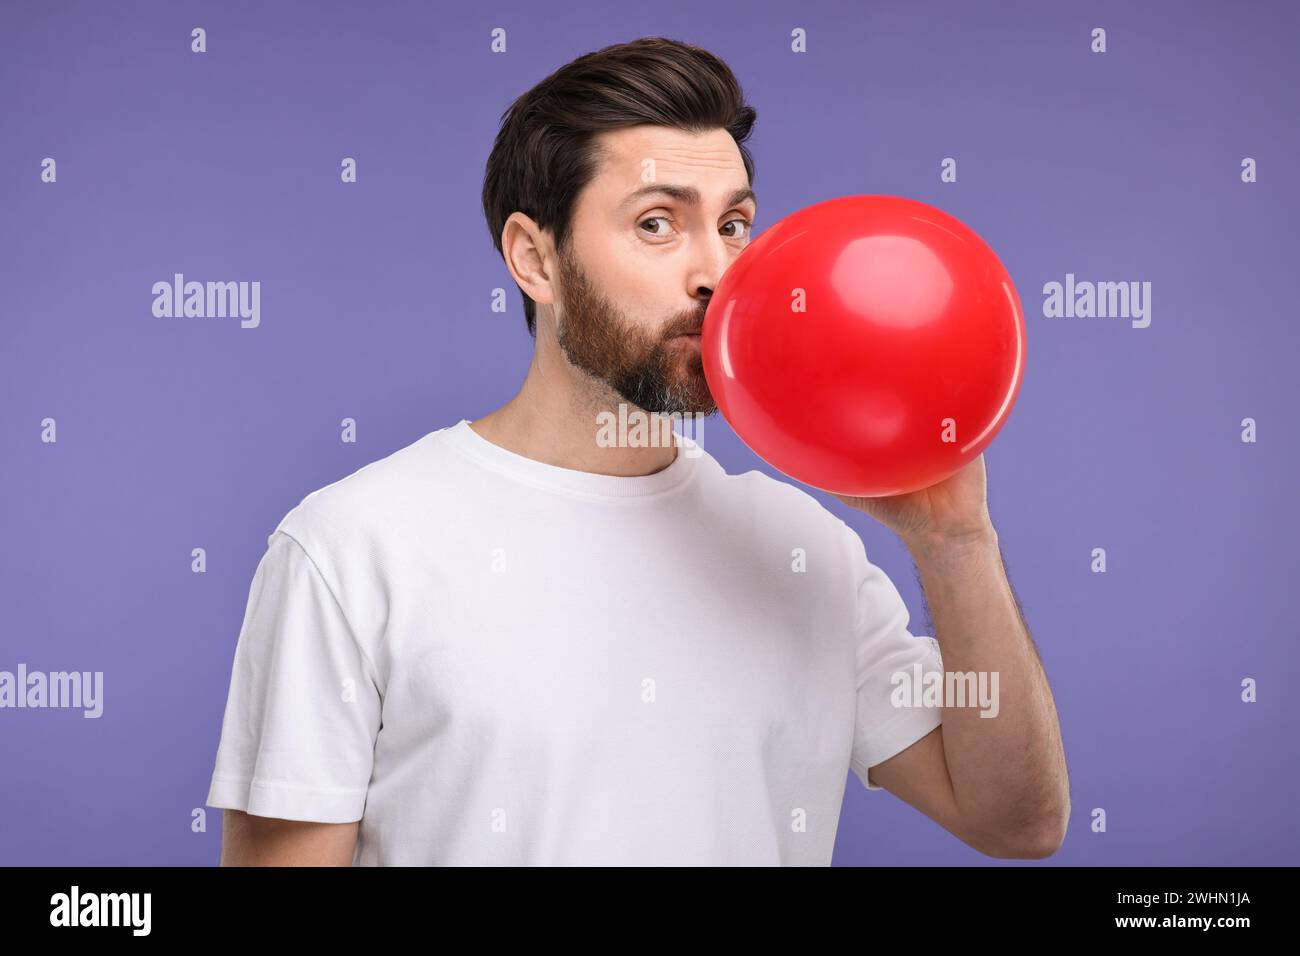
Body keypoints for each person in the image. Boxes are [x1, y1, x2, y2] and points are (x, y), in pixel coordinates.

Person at [206, 36, 1068, 866]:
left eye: (735, 224)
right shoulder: (351, 547)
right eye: (658, 223)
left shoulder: (803, 549)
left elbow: (1016, 822)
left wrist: (955, 540)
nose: (717, 273)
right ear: (535, 259)